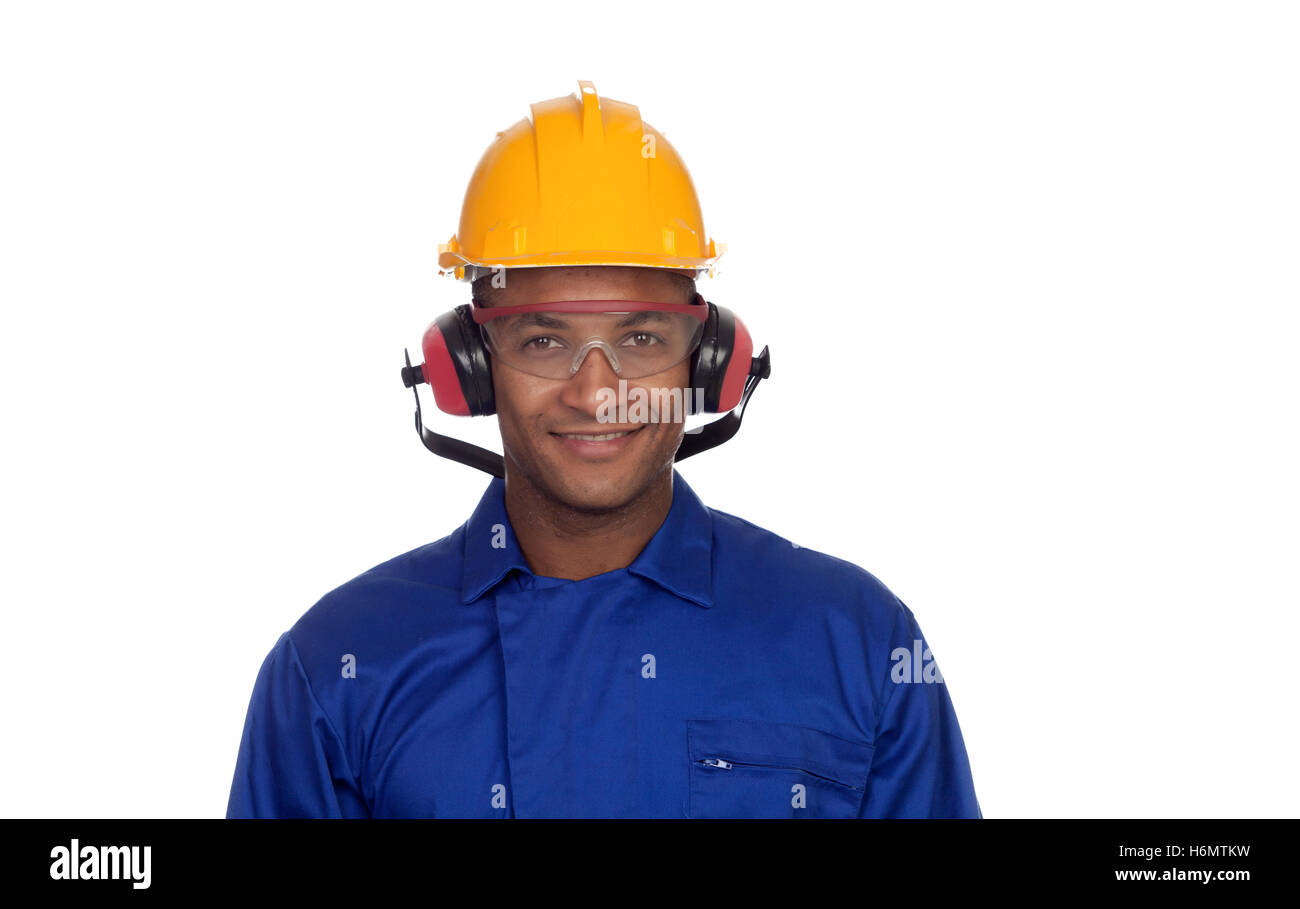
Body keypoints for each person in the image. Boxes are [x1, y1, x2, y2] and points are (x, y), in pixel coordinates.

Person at [225, 81, 981, 819]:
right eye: (544, 339)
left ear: (711, 359)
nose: (596, 393)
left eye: (640, 338)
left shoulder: (857, 641)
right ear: (469, 364)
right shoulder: (334, 669)